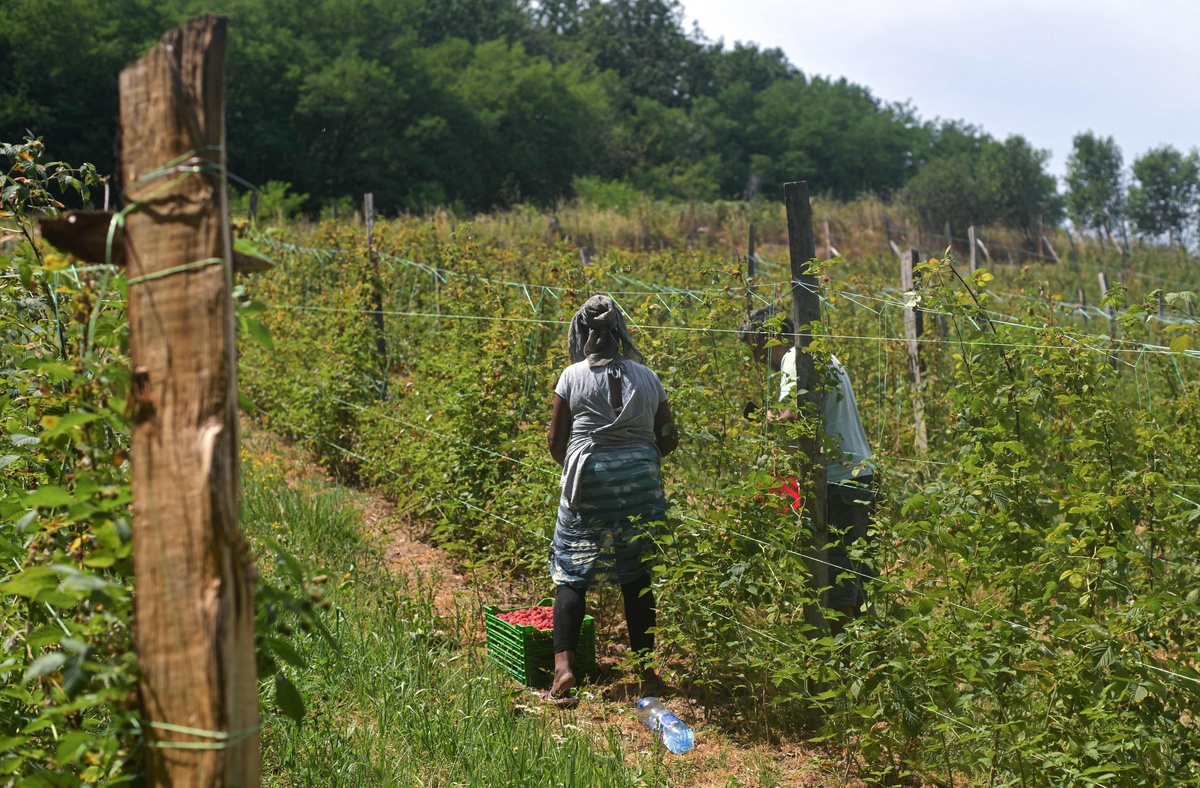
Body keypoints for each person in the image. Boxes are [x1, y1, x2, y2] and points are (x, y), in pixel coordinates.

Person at [546, 295, 678, 703]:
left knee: (572, 571)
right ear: (620, 331)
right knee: (637, 572)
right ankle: (646, 671)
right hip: (641, 478)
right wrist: (639, 459)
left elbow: (556, 439)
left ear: (582, 332)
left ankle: (564, 671)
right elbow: (669, 436)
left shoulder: (571, 376)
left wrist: (575, 467)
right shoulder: (648, 376)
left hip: (590, 477)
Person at [739, 307, 874, 634]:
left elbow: (795, 418)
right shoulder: (820, 355)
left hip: (839, 480)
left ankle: (841, 658)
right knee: (855, 570)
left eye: (756, 351)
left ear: (767, 338)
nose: (758, 361)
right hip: (858, 474)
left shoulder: (795, 360)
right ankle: (861, 651)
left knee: (838, 574)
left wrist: (765, 422)